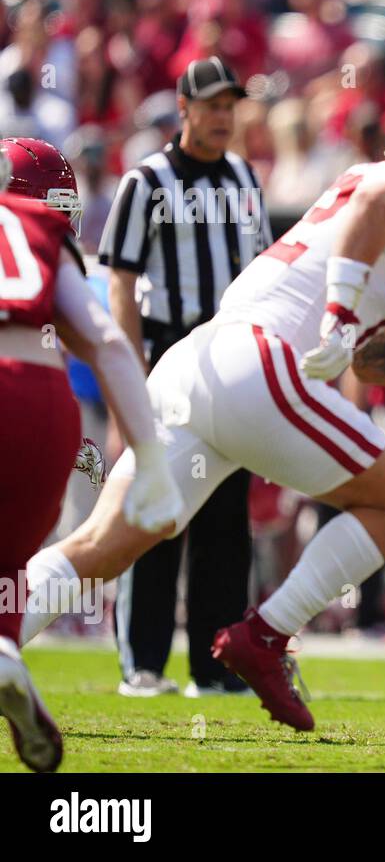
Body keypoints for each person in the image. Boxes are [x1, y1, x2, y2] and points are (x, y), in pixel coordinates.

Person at [19, 88, 385, 732]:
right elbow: (376, 208)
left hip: (199, 364)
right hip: (261, 363)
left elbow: (372, 354)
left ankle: (4, 638)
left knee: (102, 546)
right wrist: (337, 315)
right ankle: (268, 635)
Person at [0, 137, 183, 772]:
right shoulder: (47, 239)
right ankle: (2, 650)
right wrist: (152, 464)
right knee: (11, 570)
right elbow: (106, 343)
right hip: (48, 408)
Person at [99, 56, 271, 699]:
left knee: (226, 519)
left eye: (231, 105)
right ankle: (142, 665)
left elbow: (259, 278)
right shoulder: (147, 181)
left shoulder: (244, 178)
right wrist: (133, 372)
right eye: (212, 105)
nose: (223, 116)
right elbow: (119, 277)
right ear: (184, 107)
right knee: (156, 508)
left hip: (228, 358)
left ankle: (215, 666)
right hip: (169, 351)